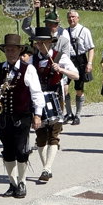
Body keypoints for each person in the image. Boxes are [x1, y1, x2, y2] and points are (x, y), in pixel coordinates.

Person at [0, 33, 44, 196]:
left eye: (13, 50)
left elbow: (36, 92)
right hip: (4, 116)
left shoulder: (29, 69)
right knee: (7, 150)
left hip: (23, 115)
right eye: (8, 50)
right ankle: (12, 183)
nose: (10, 53)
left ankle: (22, 182)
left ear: (20, 51)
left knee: (21, 150)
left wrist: (38, 114)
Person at [29, 29, 77, 185]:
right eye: (37, 42)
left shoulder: (59, 57)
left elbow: (76, 75)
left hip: (55, 98)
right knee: (40, 135)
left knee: (54, 133)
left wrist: (61, 69)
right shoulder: (32, 60)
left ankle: (47, 168)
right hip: (37, 100)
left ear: (50, 42)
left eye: (42, 42)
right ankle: (46, 167)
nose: (39, 45)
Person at [54, 10, 95, 123]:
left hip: (80, 59)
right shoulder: (64, 31)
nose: (71, 19)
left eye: (73, 17)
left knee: (79, 88)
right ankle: (69, 113)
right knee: (64, 87)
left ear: (78, 18)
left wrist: (89, 63)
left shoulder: (84, 31)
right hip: (68, 58)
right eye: (69, 17)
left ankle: (78, 114)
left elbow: (91, 48)